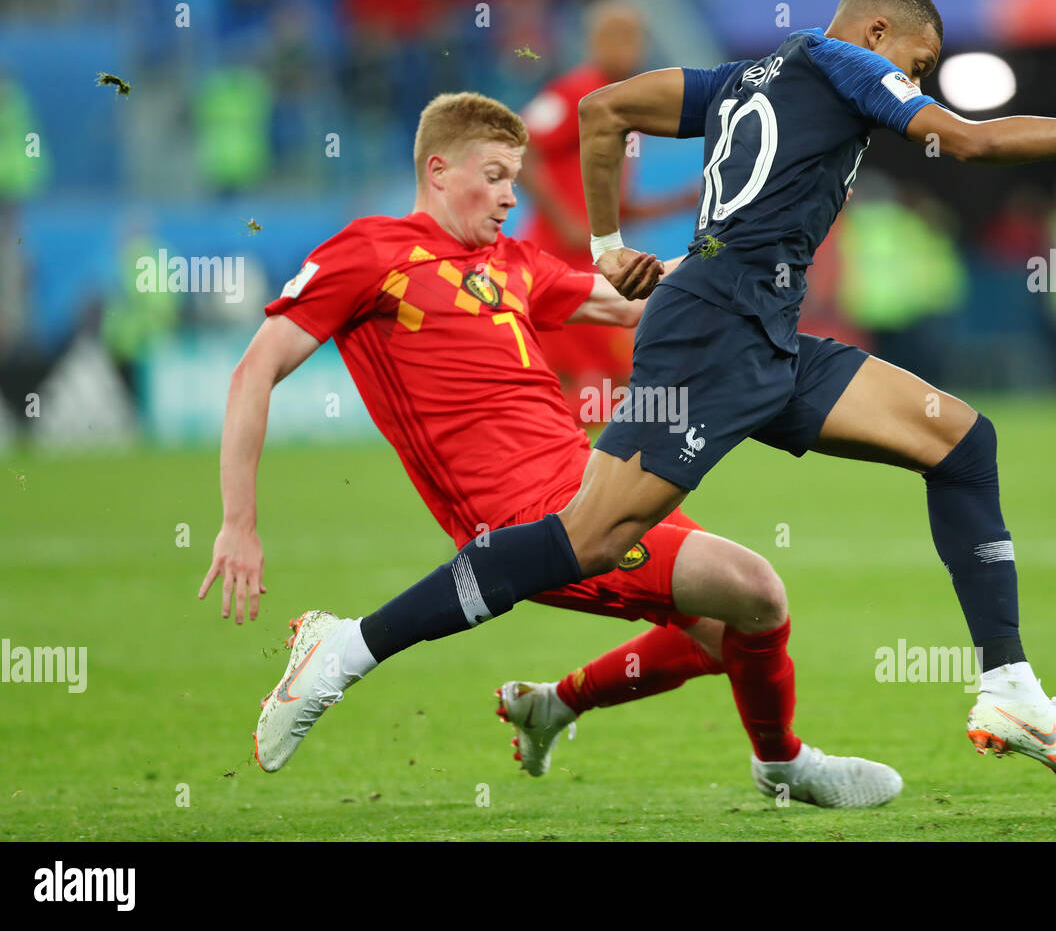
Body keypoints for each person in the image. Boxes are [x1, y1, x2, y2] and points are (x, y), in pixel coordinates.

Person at [243, 0, 1056, 796]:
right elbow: (972, 143)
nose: (915, 81)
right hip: (715, 327)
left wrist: (610, 248)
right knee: (589, 538)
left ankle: (1007, 682)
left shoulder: (750, 74)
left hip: (766, 331)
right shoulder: (850, 64)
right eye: (918, 58)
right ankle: (347, 647)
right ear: (875, 34)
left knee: (960, 439)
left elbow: (603, 110)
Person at [199, 91, 901, 808]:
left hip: (599, 480)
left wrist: (742, 247)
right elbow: (256, 369)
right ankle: (785, 765)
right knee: (755, 591)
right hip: (529, 518)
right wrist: (238, 523)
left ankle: (556, 706)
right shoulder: (370, 252)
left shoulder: (513, 262)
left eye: (515, 177)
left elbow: (638, 300)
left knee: (731, 633)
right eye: (496, 175)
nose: (510, 195)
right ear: (438, 171)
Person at [518, 0, 696, 421]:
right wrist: (564, 221)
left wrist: (682, 201)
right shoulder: (575, 92)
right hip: (558, 257)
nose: (625, 46)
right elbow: (520, 143)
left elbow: (612, 208)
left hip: (596, 256)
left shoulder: (625, 104)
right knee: (578, 373)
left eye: (632, 36)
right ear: (590, 41)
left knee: (609, 379)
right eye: (614, 36)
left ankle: (585, 467)